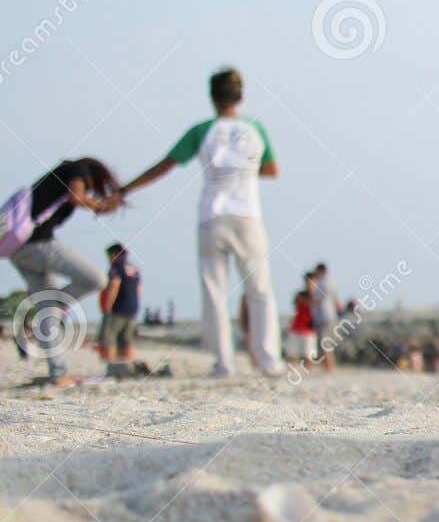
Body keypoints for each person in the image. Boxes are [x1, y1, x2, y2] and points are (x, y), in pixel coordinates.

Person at [119, 67, 286, 377]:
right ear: (241, 96)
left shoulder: (201, 130)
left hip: (212, 216)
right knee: (260, 290)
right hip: (248, 215)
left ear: (212, 97)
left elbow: (166, 165)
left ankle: (224, 363)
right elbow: (272, 169)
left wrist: (125, 189)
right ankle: (268, 360)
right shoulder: (255, 128)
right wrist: (245, 172)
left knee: (214, 291)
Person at [3, 159, 121, 384]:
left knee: (46, 311)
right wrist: (99, 206)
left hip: (16, 249)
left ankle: (58, 372)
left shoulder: (58, 176)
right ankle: (57, 308)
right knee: (97, 279)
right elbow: (75, 197)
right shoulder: (77, 169)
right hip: (38, 245)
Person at [99, 242, 141, 362]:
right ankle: (127, 364)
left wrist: (108, 305)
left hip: (118, 308)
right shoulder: (134, 269)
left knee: (110, 337)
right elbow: (139, 289)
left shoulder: (116, 267)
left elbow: (114, 284)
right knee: (127, 339)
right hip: (132, 308)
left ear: (114, 254)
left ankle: (111, 364)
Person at [309, 261, 340, 371]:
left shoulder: (320, 283)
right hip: (331, 315)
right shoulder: (332, 283)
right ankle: (329, 366)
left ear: (319, 271)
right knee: (327, 342)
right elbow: (337, 301)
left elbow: (316, 299)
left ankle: (328, 367)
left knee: (324, 342)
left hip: (323, 315)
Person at [284, 275, 317, 370]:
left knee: (309, 354)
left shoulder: (317, 295)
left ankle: (308, 372)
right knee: (292, 353)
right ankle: (292, 371)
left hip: (309, 329)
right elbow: (297, 302)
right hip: (296, 327)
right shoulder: (300, 294)